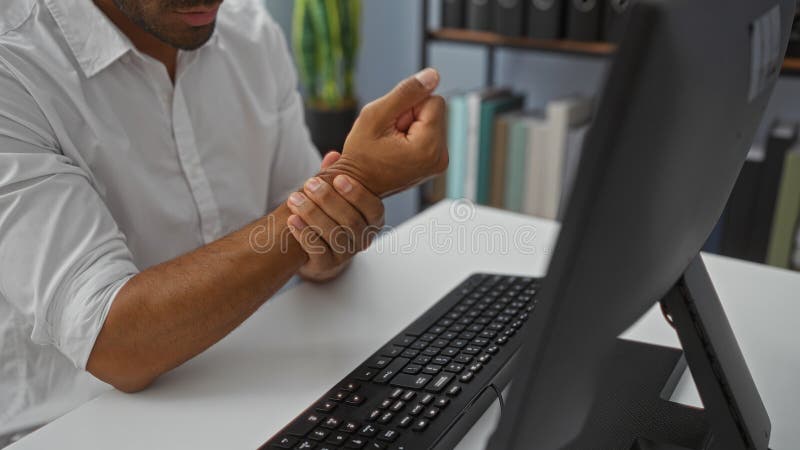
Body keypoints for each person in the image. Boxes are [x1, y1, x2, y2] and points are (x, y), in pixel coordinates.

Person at [0, 0, 448, 440]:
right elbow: (114, 345)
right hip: (72, 423)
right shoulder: (14, 64)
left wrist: (338, 218)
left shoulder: (250, 32)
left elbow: (315, 256)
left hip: (246, 389)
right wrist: (353, 179)